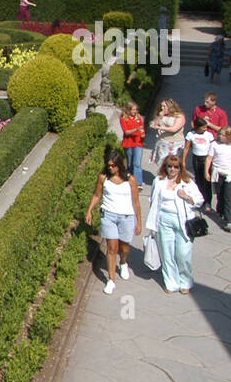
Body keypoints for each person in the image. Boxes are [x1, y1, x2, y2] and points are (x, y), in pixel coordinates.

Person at [144, 153, 205, 294]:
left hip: (184, 221)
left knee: (183, 254)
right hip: (164, 219)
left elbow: (199, 200)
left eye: (176, 167)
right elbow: (153, 201)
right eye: (169, 166)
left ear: (180, 168)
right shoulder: (158, 181)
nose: (172, 169)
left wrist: (187, 197)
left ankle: (185, 281)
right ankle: (171, 283)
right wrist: (153, 223)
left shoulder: (187, 182)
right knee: (167, 253)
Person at [85, 150, 142, 294]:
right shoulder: (103, 178)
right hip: (109, 215)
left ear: (119, 165)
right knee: (111, 248)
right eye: (109, 165)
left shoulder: (130, 180)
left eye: (113, 165)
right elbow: (97, 195)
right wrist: (89, 210)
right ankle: (111, 280)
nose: (111, 168)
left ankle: (123, 262)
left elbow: (136, 202)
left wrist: (139, 222)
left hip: (126, 216)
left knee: (124, 247)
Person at [205, 125, 231, 232]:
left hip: (230, 175)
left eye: (223, 135)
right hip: (218, 173)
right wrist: (206, 172)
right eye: (220, 134)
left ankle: (229, 221)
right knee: (220, 194)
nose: (220, 136)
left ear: (229, 136)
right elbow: (209, 159)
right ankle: (220, 211)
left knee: (228, 197)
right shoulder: (214, 145)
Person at [184, 117, 216, 211]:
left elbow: (213, 148)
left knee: (207, 181)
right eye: (203, 128)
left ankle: (208, 202)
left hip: (206, 159)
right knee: (199, 180)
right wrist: (183, 161)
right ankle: (199, 200)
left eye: (206, 127)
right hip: (197, 158)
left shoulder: (209, 135)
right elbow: (186, 148)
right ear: (197, 127)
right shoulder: (191, 134)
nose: (205, 129)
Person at [150, 98, 186, 165]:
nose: (162, 108)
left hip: (175, 143)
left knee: (172, 163)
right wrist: (160, 116)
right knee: (162, 164)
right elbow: (152, 124)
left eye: (164, 106)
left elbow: (174, 129)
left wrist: (159, 127)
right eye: (161, 106)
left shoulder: (179, 116)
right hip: (163, 142)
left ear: (170, 107)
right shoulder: (161, 114)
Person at [120, 101, 145, 186]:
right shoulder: (123, 118)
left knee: (137, 163)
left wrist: (142, 134)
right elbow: (126, 132)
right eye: (133, 110)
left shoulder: (139, 118)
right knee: (130, 164)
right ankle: (130, 180)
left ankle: (138, 183)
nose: (135, 111)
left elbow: (142, 129)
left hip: (138, 143)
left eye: (136, 109)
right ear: (128, 110)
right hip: (128, 143)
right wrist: (136, 129)